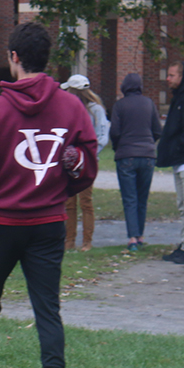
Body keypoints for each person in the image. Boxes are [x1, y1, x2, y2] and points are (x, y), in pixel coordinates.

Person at [0, 22, 97, 368]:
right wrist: (59, 189)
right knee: (47, 307)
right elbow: (86, 166)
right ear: (46, 58)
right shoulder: (72, 107)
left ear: (14, 58)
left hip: (0, 221)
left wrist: (0, 195)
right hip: (49, 223)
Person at [110, 73, 161, 252]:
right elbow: (157, 130)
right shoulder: (149, 103)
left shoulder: (120, 105)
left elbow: (115, 132)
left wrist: (118, 147)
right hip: (147, 155)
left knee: (130, 198)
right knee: (142, 198)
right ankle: (140, 235)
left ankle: (132, 238)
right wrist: (148, 144)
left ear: (125, 86)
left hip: (126, 155)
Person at [61, 74, 109, 251]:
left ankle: (87, 241)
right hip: (70, 161)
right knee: (69, 202)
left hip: (87, 161)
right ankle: (69, 241)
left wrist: (89, 155)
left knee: (86, 201)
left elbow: (102, 135)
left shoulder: (95, 109)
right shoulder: (68, 108)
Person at [157, 61, 184, 265]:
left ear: (182, 76)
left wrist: (178, 148)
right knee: (183, 204)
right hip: (181, 161)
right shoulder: (180, 98)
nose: (168, 79)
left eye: (172, 75)